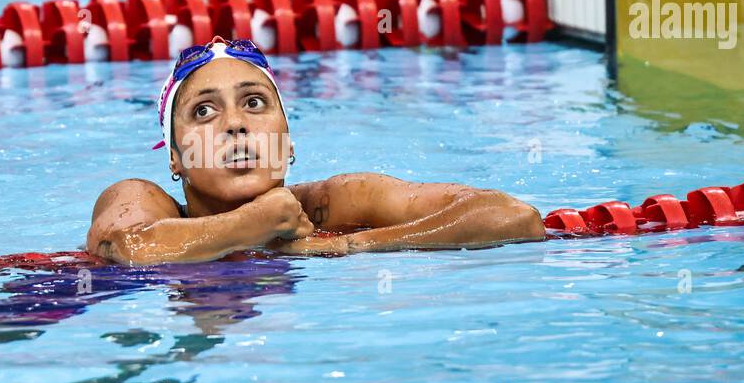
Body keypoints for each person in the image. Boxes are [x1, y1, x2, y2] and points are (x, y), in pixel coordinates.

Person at [86, 39, 545, 265]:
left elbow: (513, 216)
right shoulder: (142, 199)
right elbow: (133, 248)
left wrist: (351, 245)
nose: (236, 124)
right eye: (204, 112)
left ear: (288, 140)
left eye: (253, 103)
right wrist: (255, 224)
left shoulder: (336, 206)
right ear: (175, 158)